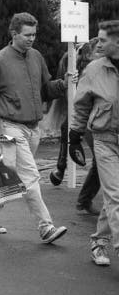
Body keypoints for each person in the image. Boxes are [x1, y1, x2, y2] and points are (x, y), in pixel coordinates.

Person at [0, 12, 72, 244]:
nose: (32, 39)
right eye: (27, 35)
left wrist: (64, 84)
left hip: (32, 129)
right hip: (10, 127)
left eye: (34, 34)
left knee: (13, 178)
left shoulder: (36, 56)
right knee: (30, 176)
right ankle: (46, 227)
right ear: (14, 33)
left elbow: (45, 89)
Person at [70, 20, 119, 266]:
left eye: (102, 40)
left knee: (114, 198)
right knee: (115, 196)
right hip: (104, 139)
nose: (97, 44)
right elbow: (81, 105)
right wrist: (74, 137)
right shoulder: (94, 69)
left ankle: (98, 241)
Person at [48, 39, 101, 215]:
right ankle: (86, 199)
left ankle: (85, 198)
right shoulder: (94, 69)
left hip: (103, 120)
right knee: (103, 160)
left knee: (103, 161)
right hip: (96, 122)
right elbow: (78, 108)